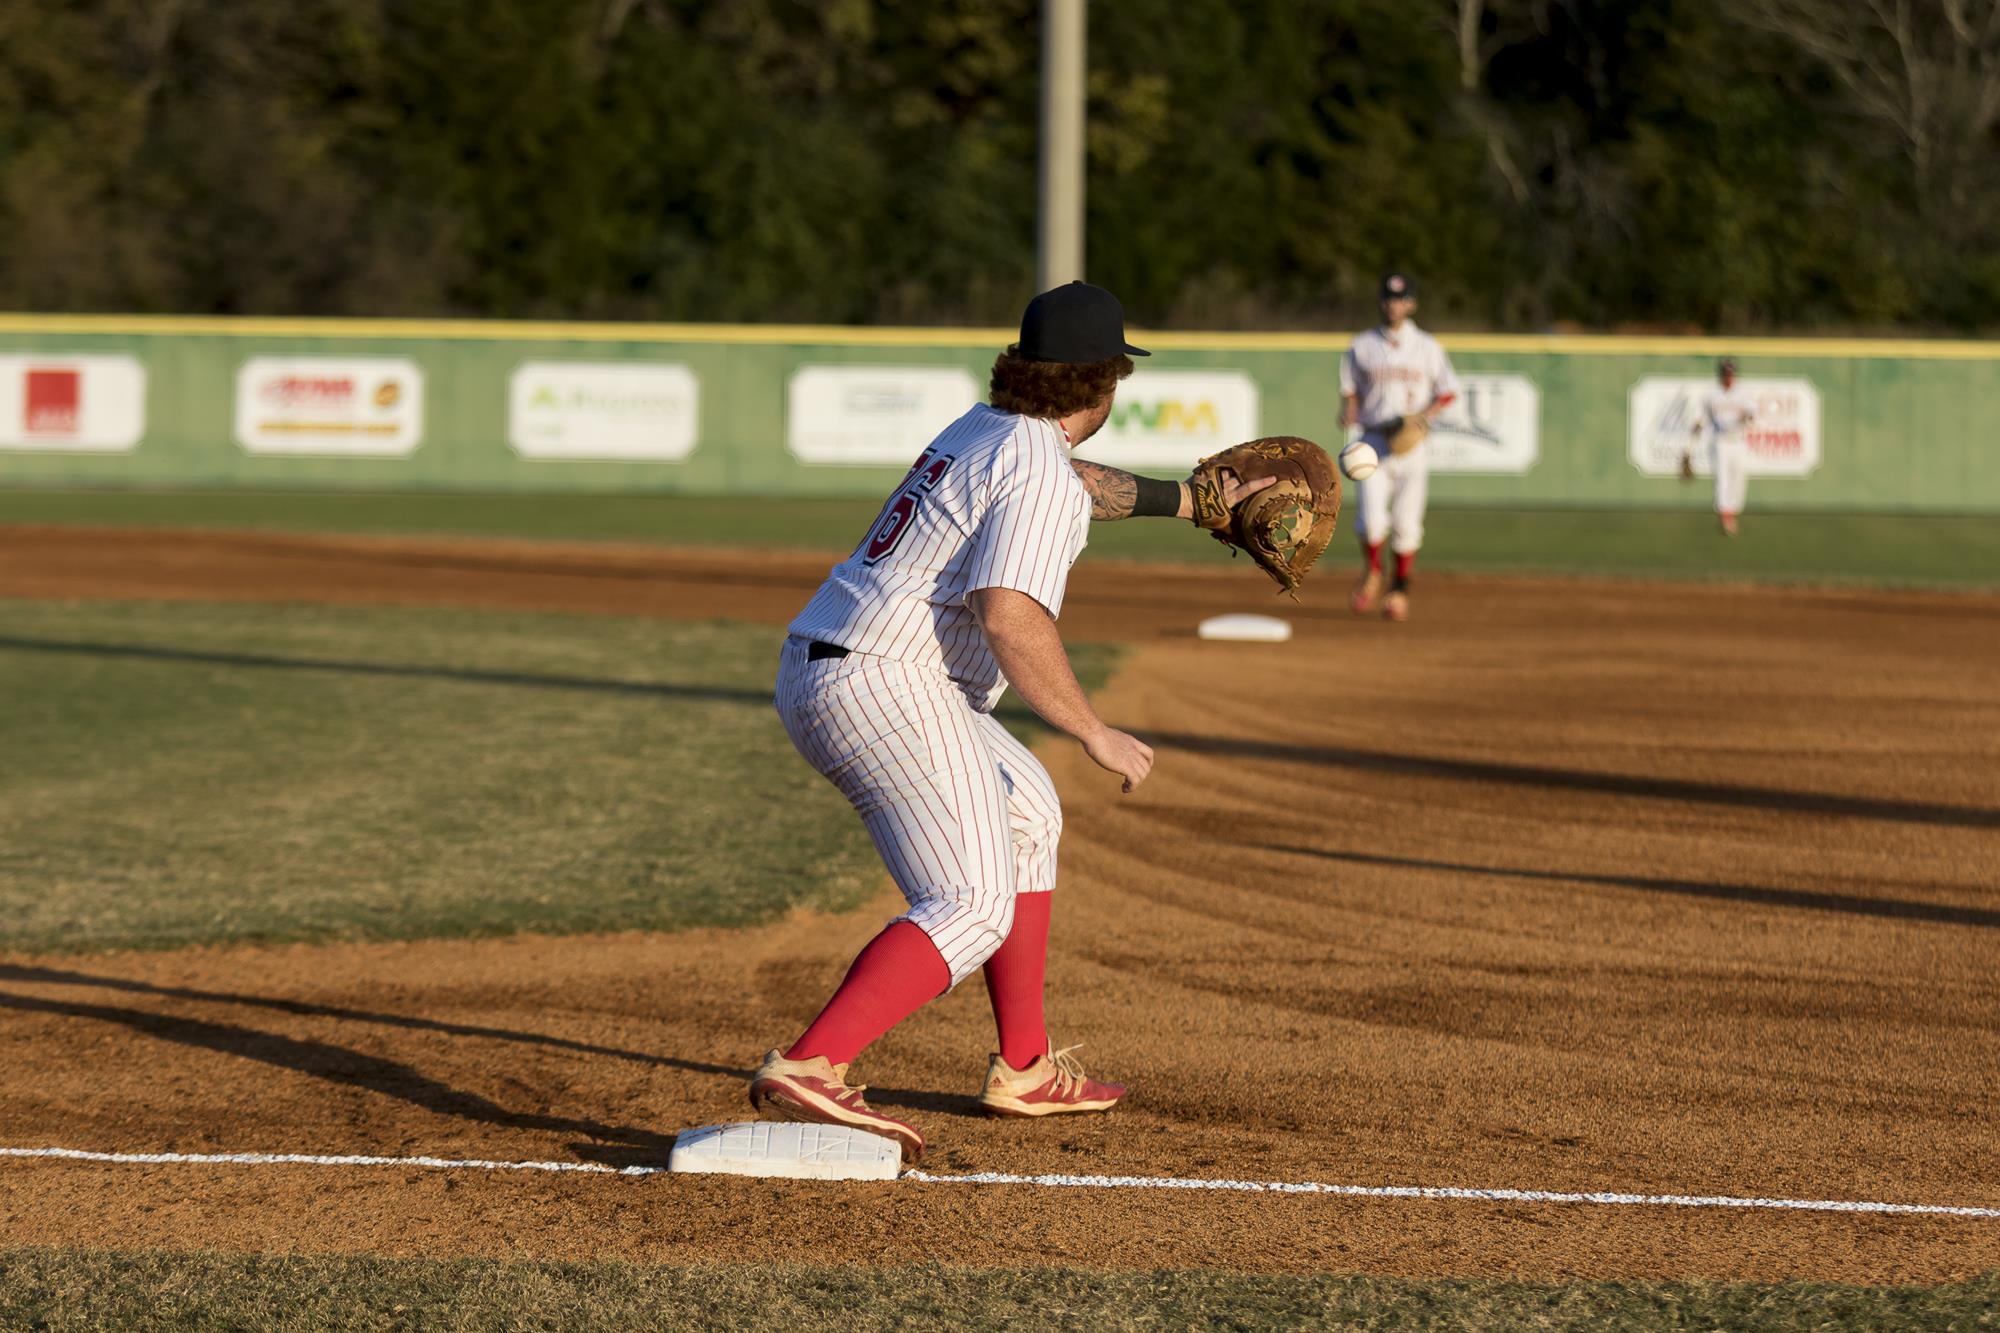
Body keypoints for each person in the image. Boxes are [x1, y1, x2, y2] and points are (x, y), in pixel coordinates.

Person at [751, 281, 1270, 1161]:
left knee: (1028, 812)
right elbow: (1010, 614)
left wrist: (1193, 502)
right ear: (1104, 386)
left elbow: (1075, 482)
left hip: (849, 659)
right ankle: (812, 1062)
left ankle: (1024, 1067)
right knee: (971, 902)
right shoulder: (1034, 469)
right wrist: (1093, 729)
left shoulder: (985, 430)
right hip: (886, 682)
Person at [1341, 272, 1460, 622]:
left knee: (1407, 523)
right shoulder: (1360, 345)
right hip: (1373, 441)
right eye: (1389, 298)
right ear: (1381, 301)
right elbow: (1350, 390)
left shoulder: (1427, 346)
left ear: (1412, 303)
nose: (1394, 304)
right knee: (1371, 521)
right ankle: (1373, 572)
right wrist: (1348, 410)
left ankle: (1399, 591)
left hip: (1411, 444)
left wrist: (1424, 417)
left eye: (1401, 298)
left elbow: (1448, 390)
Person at [1686, 358, 1756, 536]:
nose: (1728, 377)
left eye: (1731, 373)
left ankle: (1731, 512)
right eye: (1726, 374)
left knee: (1739, 479)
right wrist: (1688, 447)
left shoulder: (1743, 392)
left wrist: (1745, 418)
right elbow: (1700, 420)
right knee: (1722, 479)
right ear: (1721, 374)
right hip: (1720, 441)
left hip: (1738, 441)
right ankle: (1726, 517)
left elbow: (1751, 414)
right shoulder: (1711, 394)